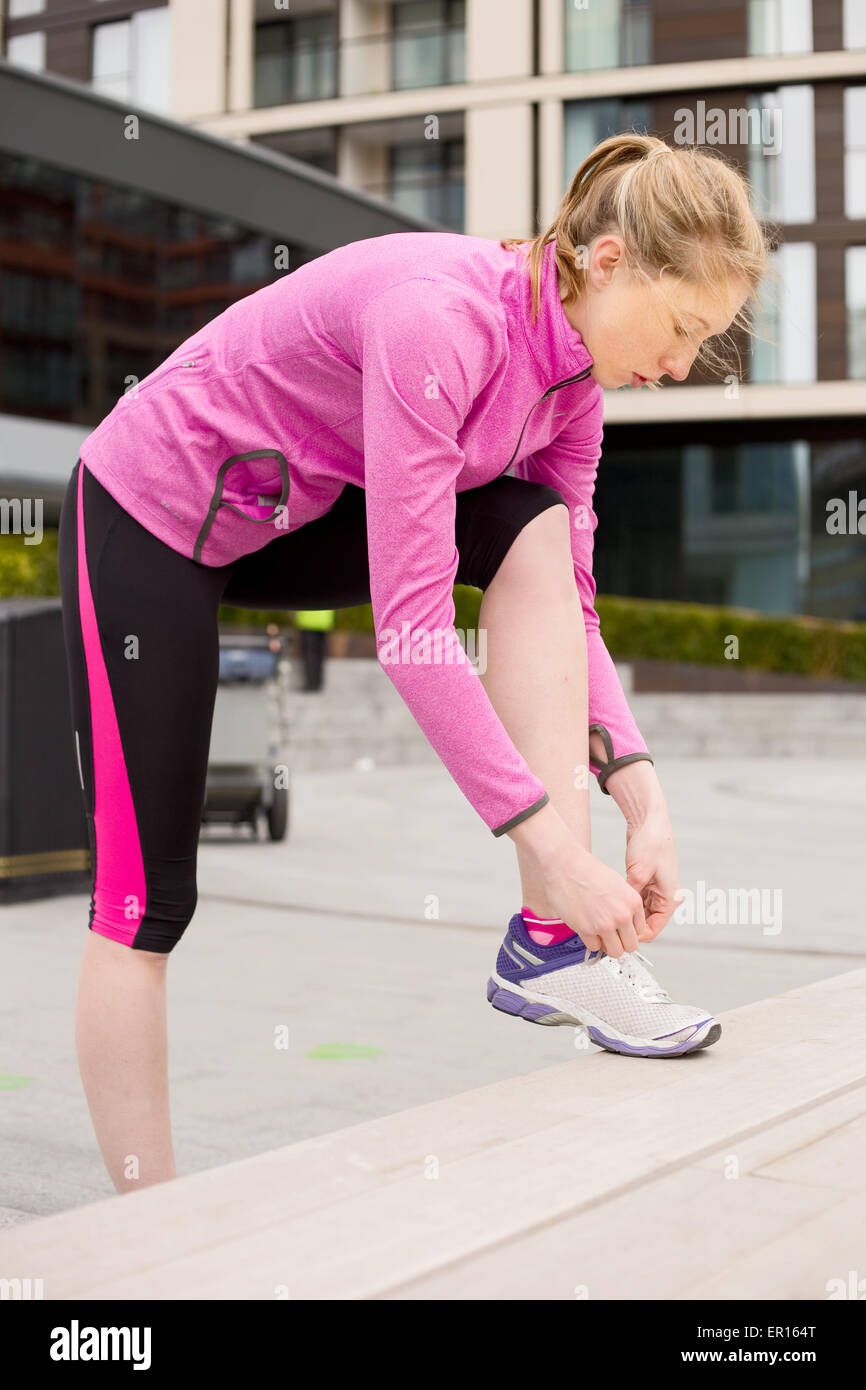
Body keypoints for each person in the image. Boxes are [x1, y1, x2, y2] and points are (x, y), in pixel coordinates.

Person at [57, 132, 769, 1192]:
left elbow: (567, 603)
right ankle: (149, 1233)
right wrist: (561, 847)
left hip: (281, 516)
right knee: (143, 903)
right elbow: (413, 631)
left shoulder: (571, 390)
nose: (677, 364)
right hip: (149, 513)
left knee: (525, 524)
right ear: (611, 261)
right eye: (679, 329)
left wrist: (639, 795)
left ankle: (547, 944)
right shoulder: (439, 317)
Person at [293, 608, 336, 691]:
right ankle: (318, 682)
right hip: (324, 620)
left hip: (307, 621)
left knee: (309, 654)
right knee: (320, 653)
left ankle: (311, 684)